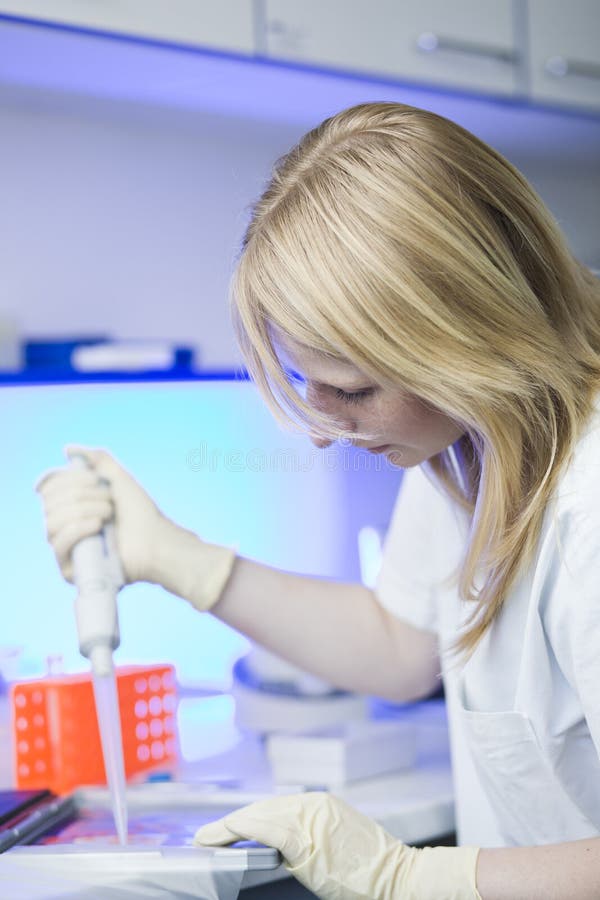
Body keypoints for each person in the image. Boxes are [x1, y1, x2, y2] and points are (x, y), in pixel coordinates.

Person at [37, 102, 600, 899]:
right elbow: (402, 647)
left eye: (353, 391)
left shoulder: (588, 509)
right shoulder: (471, 442)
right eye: (313, 387)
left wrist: (407, 879)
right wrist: (178, 559)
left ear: (468, 336)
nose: (324, 433)